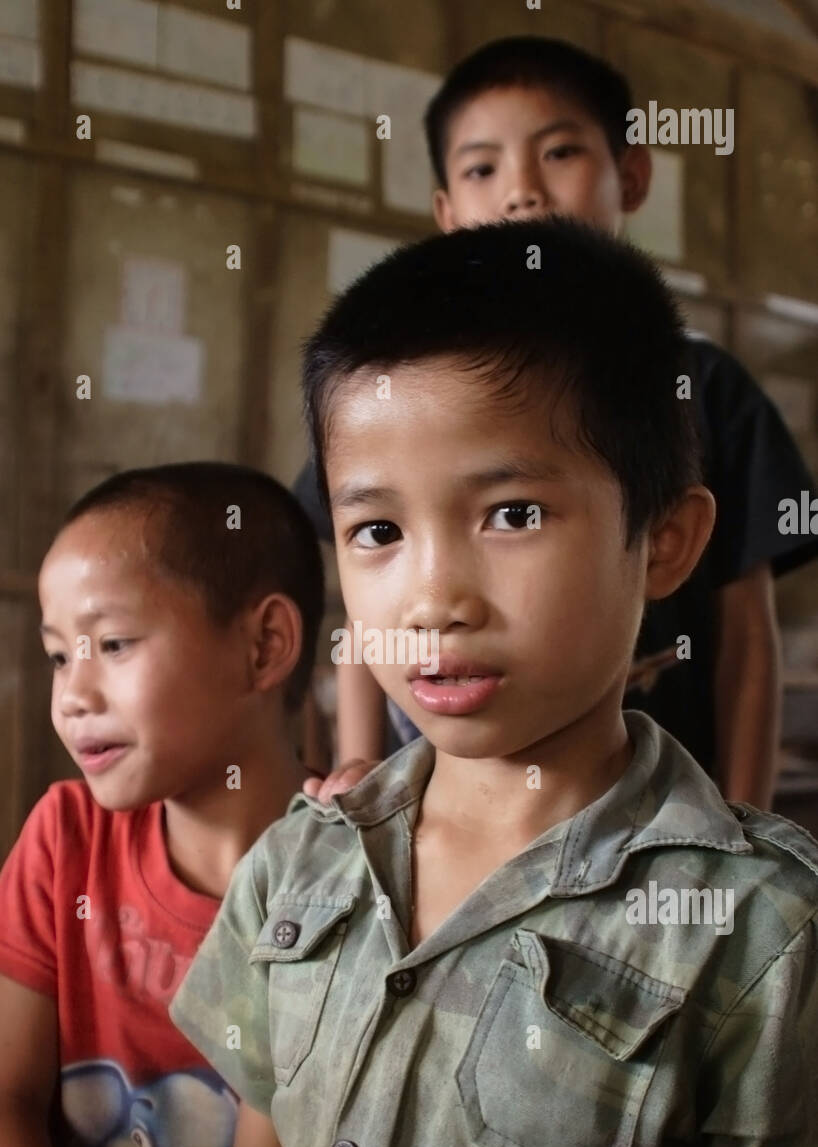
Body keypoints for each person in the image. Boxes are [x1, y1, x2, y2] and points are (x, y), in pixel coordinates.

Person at [144, 221, 818, 1147]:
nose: (431, 599)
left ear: (664, 542)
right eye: (376, 532)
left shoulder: (757, 937)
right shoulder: (299, 868)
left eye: (511, 513)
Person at [295, 36, 818, 809]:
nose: (522, 192)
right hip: (444, 799)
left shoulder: (706, 387)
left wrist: (742, 810)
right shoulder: (393, 388)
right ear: (446, 212)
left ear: (631, 175)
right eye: (482, 168)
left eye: (560, 152)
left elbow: (747, 635)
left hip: (657, 814)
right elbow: (357, 599)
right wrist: (361, 761)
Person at [0, 462, 323, 1147]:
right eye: (57, 656)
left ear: (263, 646)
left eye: (113, 644)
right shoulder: (66, 836)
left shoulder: (343, 877)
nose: (72, 695)